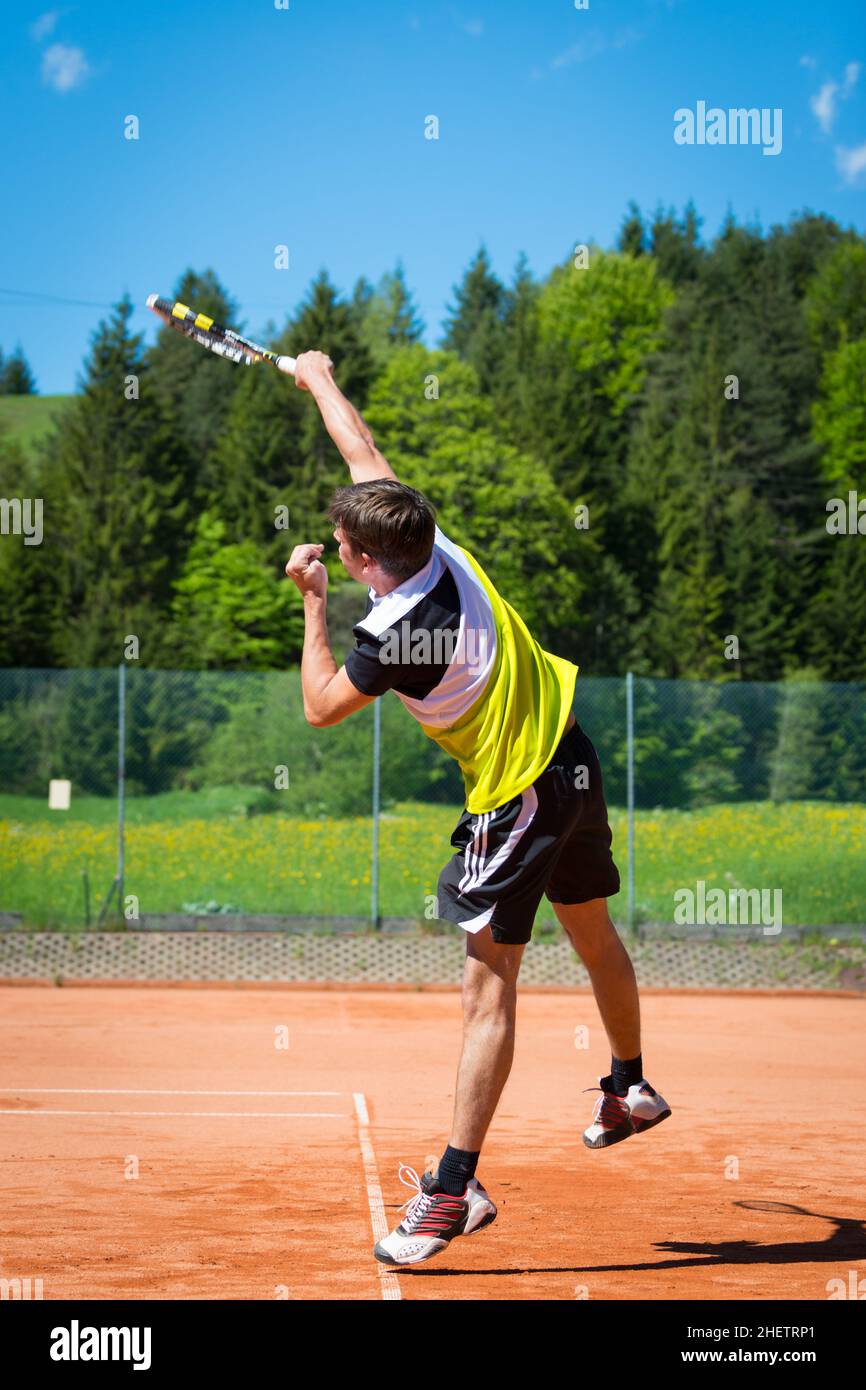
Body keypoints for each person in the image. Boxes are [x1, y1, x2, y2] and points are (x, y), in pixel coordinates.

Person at [284, 351, 671, 1267]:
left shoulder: (391, 633)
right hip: (571, 760)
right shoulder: (434, 540)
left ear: (366, 560)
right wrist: (318, 379)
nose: (338, 546)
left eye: (344, 548)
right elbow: (364, 452)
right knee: (593, 933)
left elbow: (320, 706)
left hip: (520, 795)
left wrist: (311, 605)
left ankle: (454, 1193)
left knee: (484, 985)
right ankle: (629, 1086)